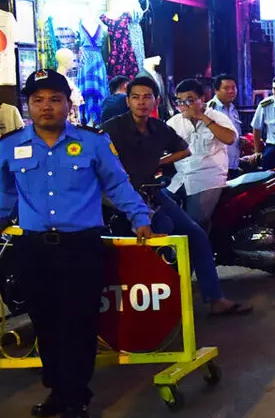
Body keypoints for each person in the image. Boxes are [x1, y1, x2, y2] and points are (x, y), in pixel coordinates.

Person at [0, 70, 152, 418]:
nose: (46, 106)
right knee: (45, 323)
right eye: (37, 100)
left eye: (54, 99)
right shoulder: (10, 145)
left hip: (81, 249)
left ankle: (76, 398)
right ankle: (57, 390)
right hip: (33, 250)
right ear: (27, 105)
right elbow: (7, 192)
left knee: (78, 324)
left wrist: (140, 216)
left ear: (68, 103)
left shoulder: (93, 142)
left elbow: (118, 183)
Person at [103, 77, 250, 321]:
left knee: (196, 234)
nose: (141, 102)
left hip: (157, 191)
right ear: (127, 101)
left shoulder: (158, 127)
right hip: (123, 197)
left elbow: (185, 150)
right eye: (136, 97)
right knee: (165, 232)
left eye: (147, 97)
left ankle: (214, 299)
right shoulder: (112, 128)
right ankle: (162, 304)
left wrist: (157, 163)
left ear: (156, 101)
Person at [167, 79, 238, 226]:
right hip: (181, 178)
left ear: (202, 99)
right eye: (180, 102)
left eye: (190, 101)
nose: (184, 106)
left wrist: (203, 118)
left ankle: (202, 248)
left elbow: (230, 139)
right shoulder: (173, 122)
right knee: (160, 211)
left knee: (194, 223)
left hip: (208, 179)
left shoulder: (217, 117)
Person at [208, 74, 244, 178]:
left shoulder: (233, 109)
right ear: (216, 90)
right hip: (218, 167)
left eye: (233, 88)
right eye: (226, 88)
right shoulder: (210, 110)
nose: (231, 91)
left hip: (233, 164)